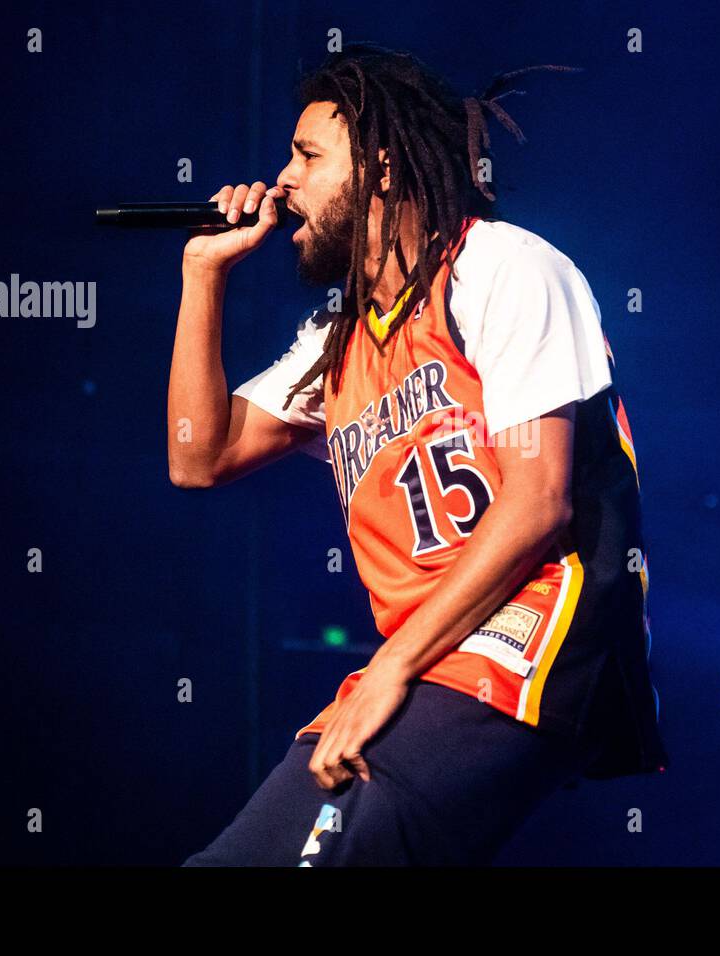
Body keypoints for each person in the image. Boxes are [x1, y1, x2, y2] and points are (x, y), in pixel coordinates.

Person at [173, 43, 667, 866]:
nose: (282, 181)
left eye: (306, 156)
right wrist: (202, 274)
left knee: (350, 838)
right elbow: (199, 456)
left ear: (384, 169)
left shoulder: (502, 268)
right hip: (433, 654)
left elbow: (537, 498)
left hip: (535, 622)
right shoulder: (337, 340)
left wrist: (390, 672)